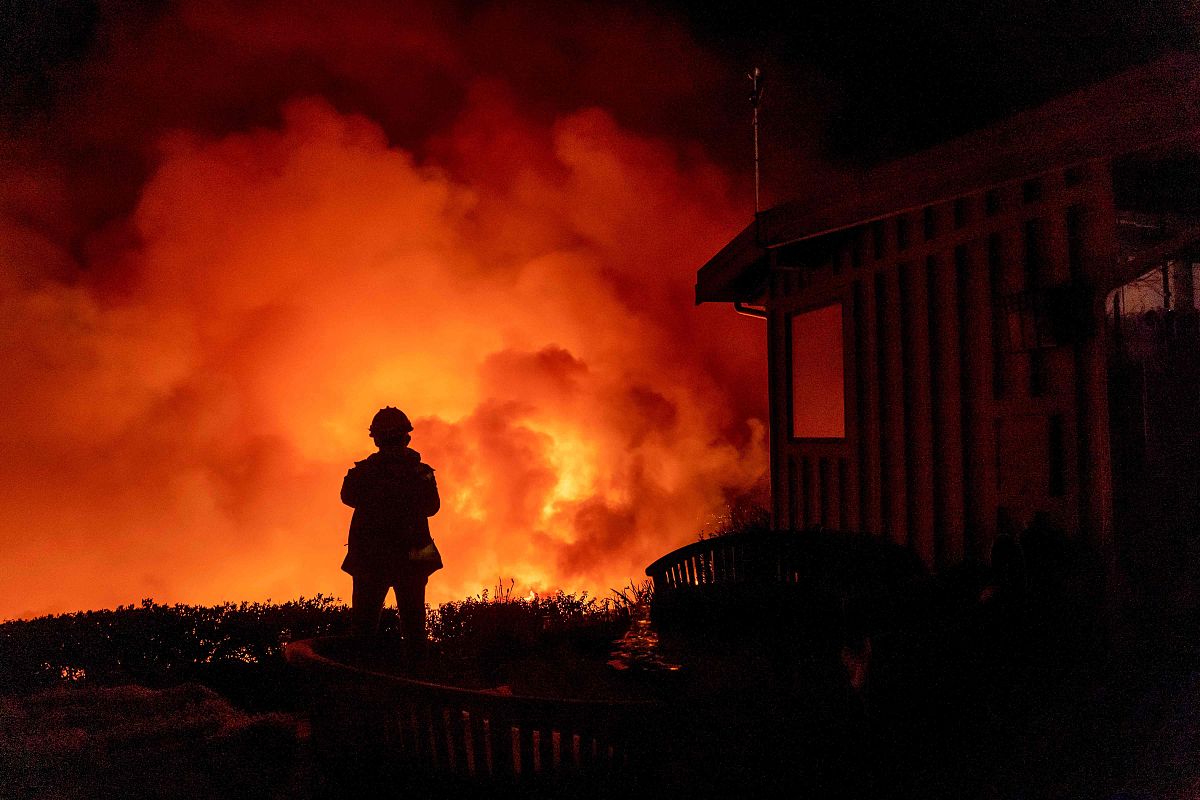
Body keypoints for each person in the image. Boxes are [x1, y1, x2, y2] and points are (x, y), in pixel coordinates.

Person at [340, 406, 442, 646]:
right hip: (412, 560)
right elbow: (432, 507)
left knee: (363, 631)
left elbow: (348, 497)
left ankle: (363, 677)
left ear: (376, 440)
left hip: (370, 559)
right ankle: (416, 676)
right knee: (415, 629)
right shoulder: (421, 473)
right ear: (407, 437)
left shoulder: (363, 473)